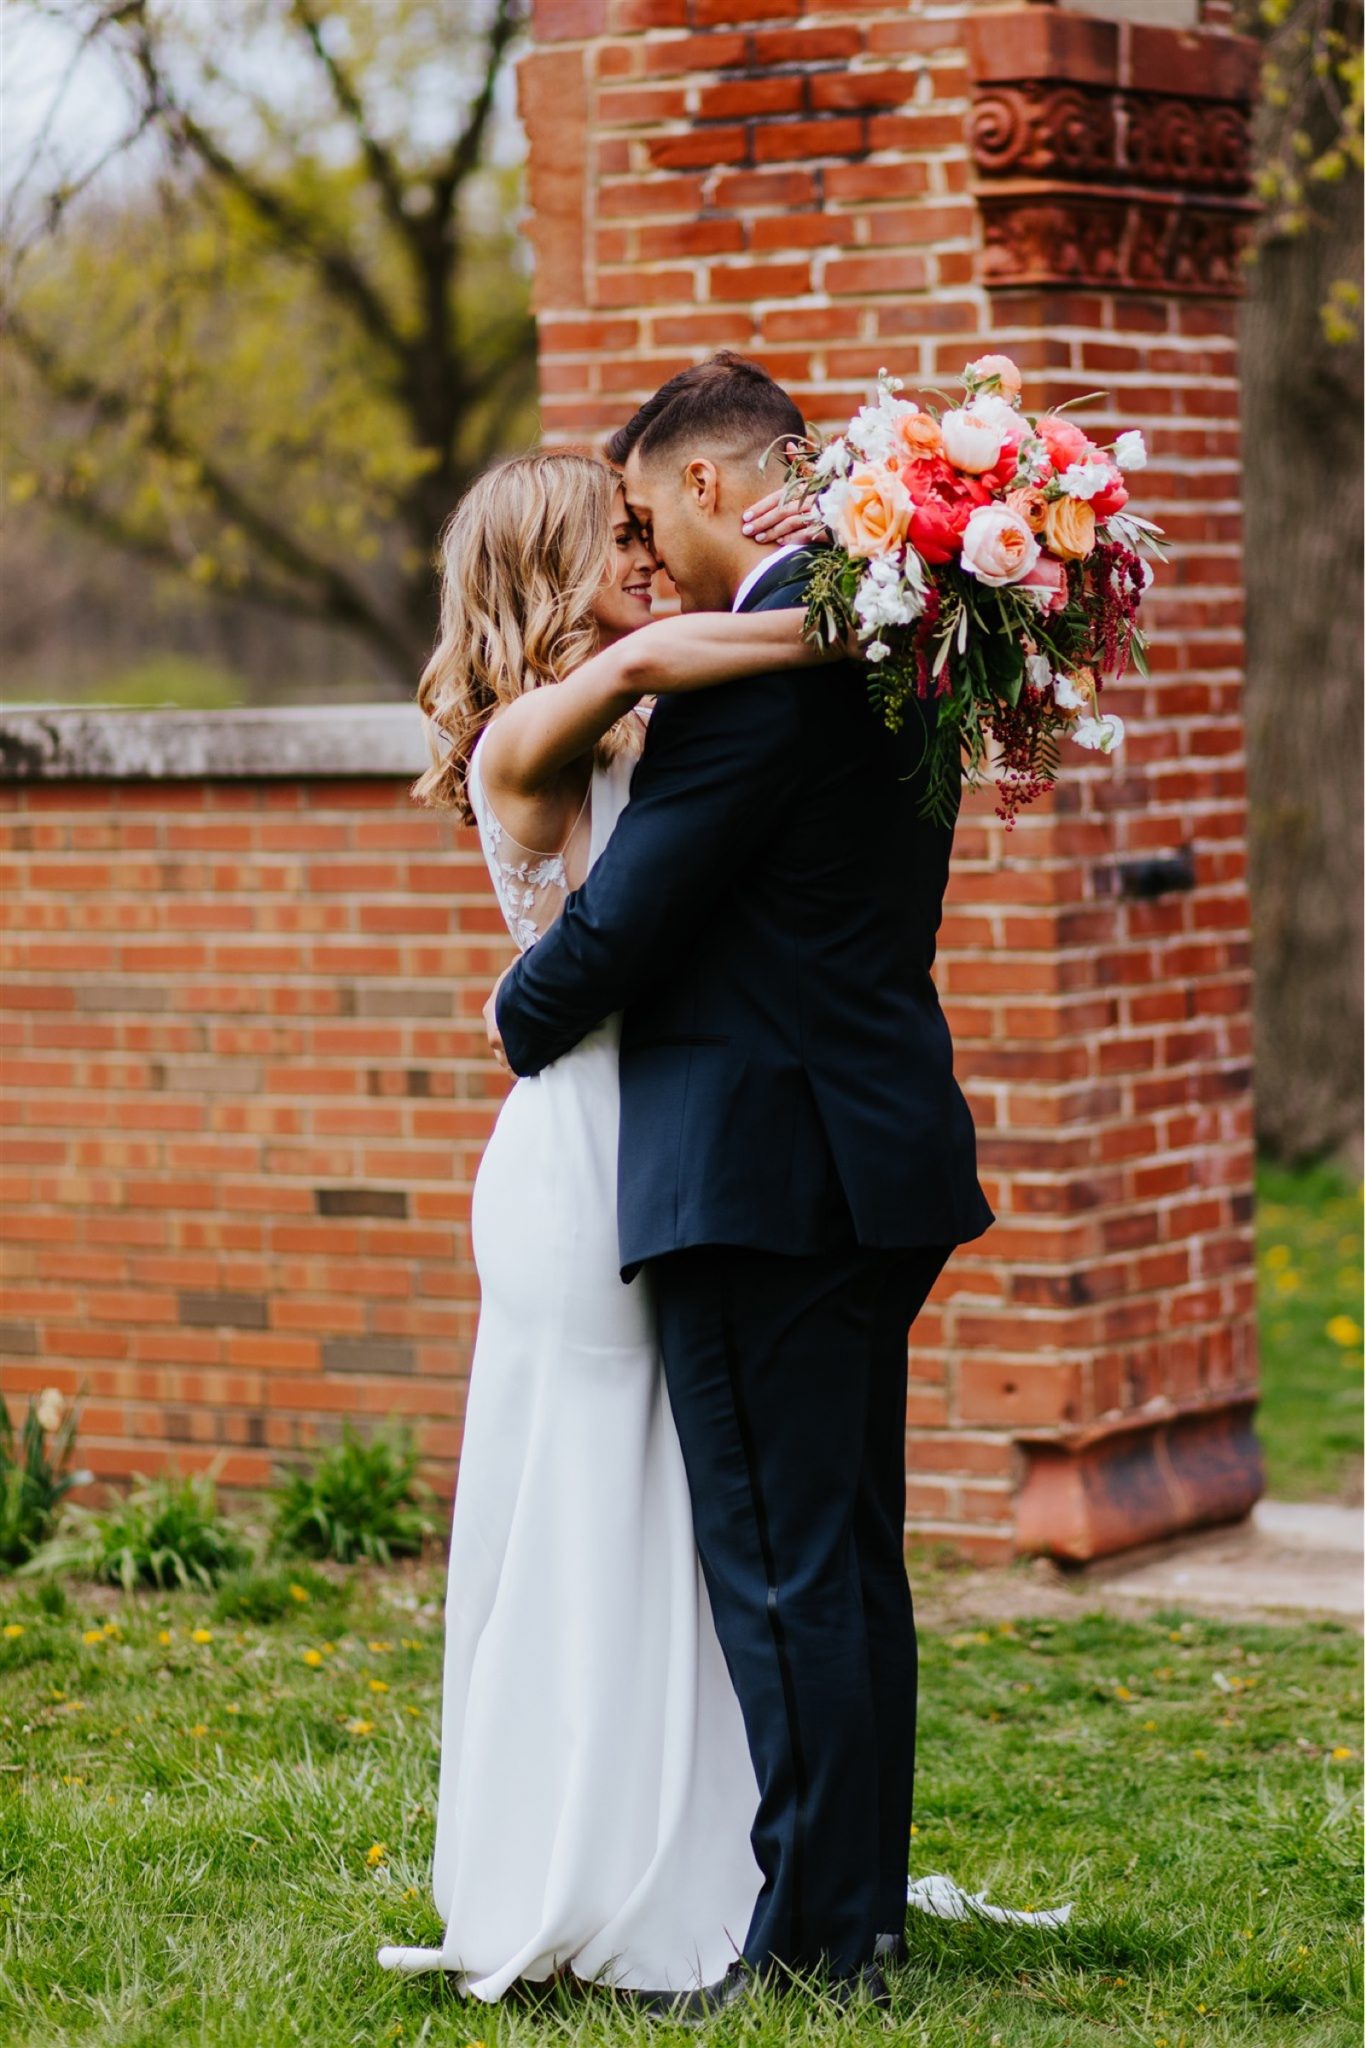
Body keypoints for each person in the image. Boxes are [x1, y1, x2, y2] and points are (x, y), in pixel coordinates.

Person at [487, 354, 996, 2015]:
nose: (642, 551)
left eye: (642, 513)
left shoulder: (756, 680)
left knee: (784, 1574)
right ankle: (858, 1919)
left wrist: (518, 1009)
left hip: (764, 1181)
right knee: (843, 1560)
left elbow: (624, 931)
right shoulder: (890, 639)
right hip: (876, 1149)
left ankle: (811, 1950)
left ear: (711, 487)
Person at [375, 444, 833, 2000]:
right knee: (591, 1496)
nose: (644, 551)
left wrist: (843, 552)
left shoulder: (634, 714)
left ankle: (701, 1852)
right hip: (579, 1161)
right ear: (541, 564)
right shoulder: (531, 733)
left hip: (665, 1139)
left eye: (645, 527)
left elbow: (679, 659)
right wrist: (867, 612)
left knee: (677, 1506)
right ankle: (568, 1861)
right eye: (615, 535)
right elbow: (654, 648)